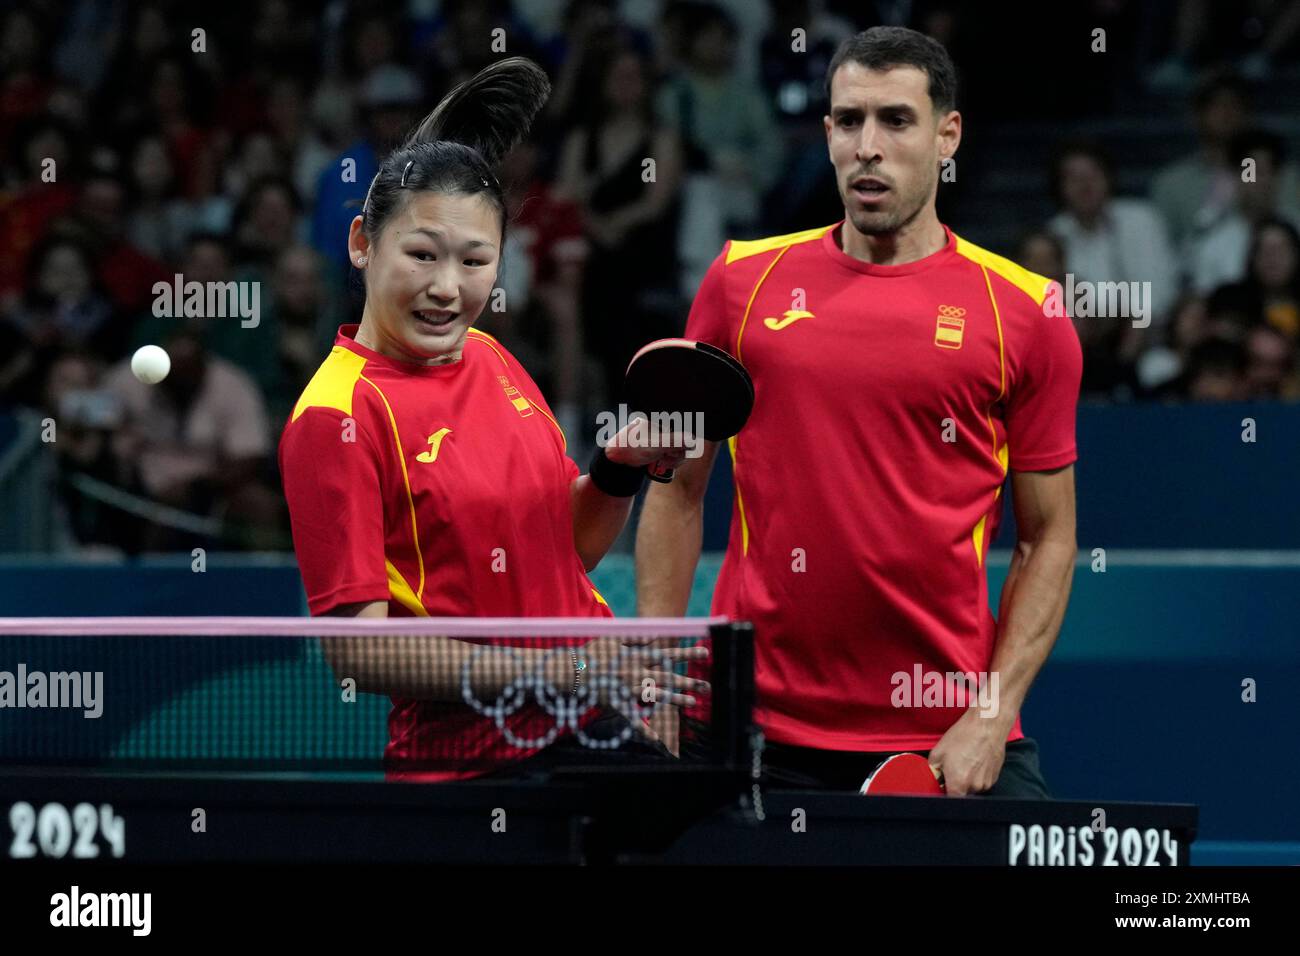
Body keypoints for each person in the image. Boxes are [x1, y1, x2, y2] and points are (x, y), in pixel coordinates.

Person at [636, 26, 1082, 797]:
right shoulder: (741, 283)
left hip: (944, 728)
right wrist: (654, 672)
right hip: (752, 723)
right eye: (848, 121)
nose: (867, 146)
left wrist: (992, 708)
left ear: (949, 135)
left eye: (895, 120)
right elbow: (677, 487)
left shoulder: (1026, 312)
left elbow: (1050, 537)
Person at [278, 59, 703, 782]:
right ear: (361, 243)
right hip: (479, 767)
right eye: (421, 255)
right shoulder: (337, 415)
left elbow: (563, 548)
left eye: (475, 262)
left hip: (591, 722)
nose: (448, 289)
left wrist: (614, 473)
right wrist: (562, 671)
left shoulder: (491, 357)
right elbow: (360, 653)